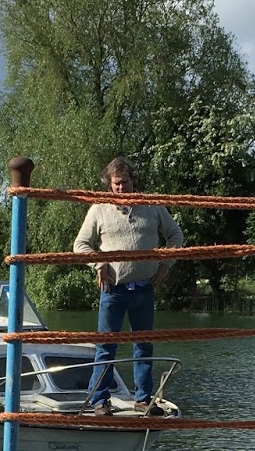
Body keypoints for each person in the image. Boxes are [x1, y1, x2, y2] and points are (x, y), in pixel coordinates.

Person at [72, 157, 184, 415]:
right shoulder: (98, 209)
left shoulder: (152, 206)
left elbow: (175, 235)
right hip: (113, 289)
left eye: (125, 183)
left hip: (144, 287)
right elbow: (81, 245)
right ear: (109, 185)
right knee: (106, 346)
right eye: (116, 184)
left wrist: (166, 264)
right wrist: (99, 265)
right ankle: (100, 400)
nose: (121, 188)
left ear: (133, 181)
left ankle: (143, 399)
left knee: (144, 345)